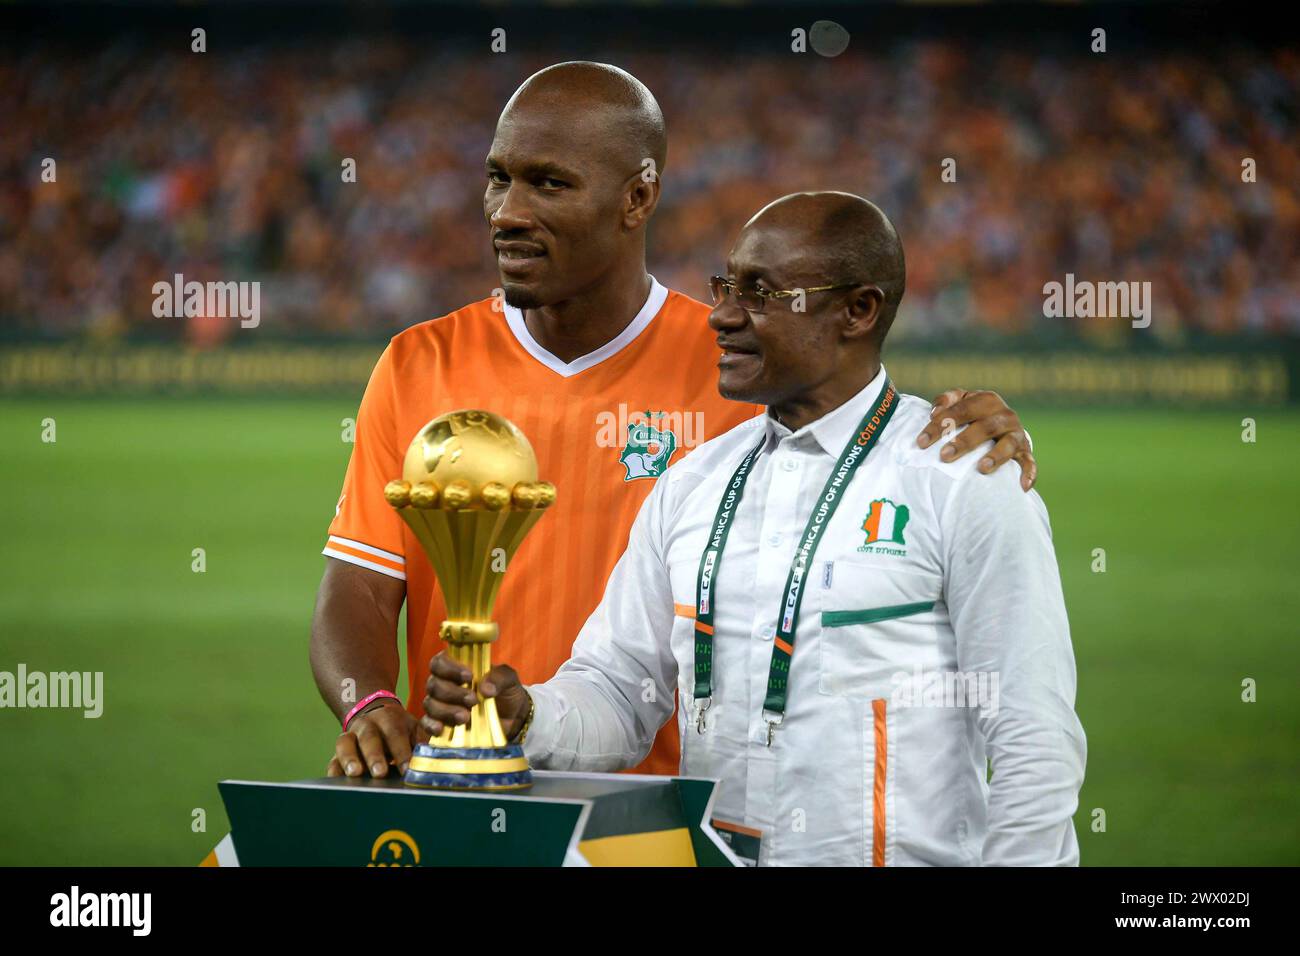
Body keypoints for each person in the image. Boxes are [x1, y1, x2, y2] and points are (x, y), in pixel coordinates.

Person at [318, 62, 1038, 781]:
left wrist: (972, 431)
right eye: (498, 176)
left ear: (638, 198)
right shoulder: (420, 363)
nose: (507, 210)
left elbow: (868, 446)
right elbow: (359, 583)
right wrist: (369, 703)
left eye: (549, 183)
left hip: (669, 819)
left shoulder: (739, 367)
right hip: (461, 788)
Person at [423, 191, 1086, 866]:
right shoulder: (691, 485)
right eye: (725, 286)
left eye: (760, 294)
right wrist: (525, 714)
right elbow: (620, 692)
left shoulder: (959, 477)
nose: (722, 315)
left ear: (857, 310)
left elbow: (1032, 733)